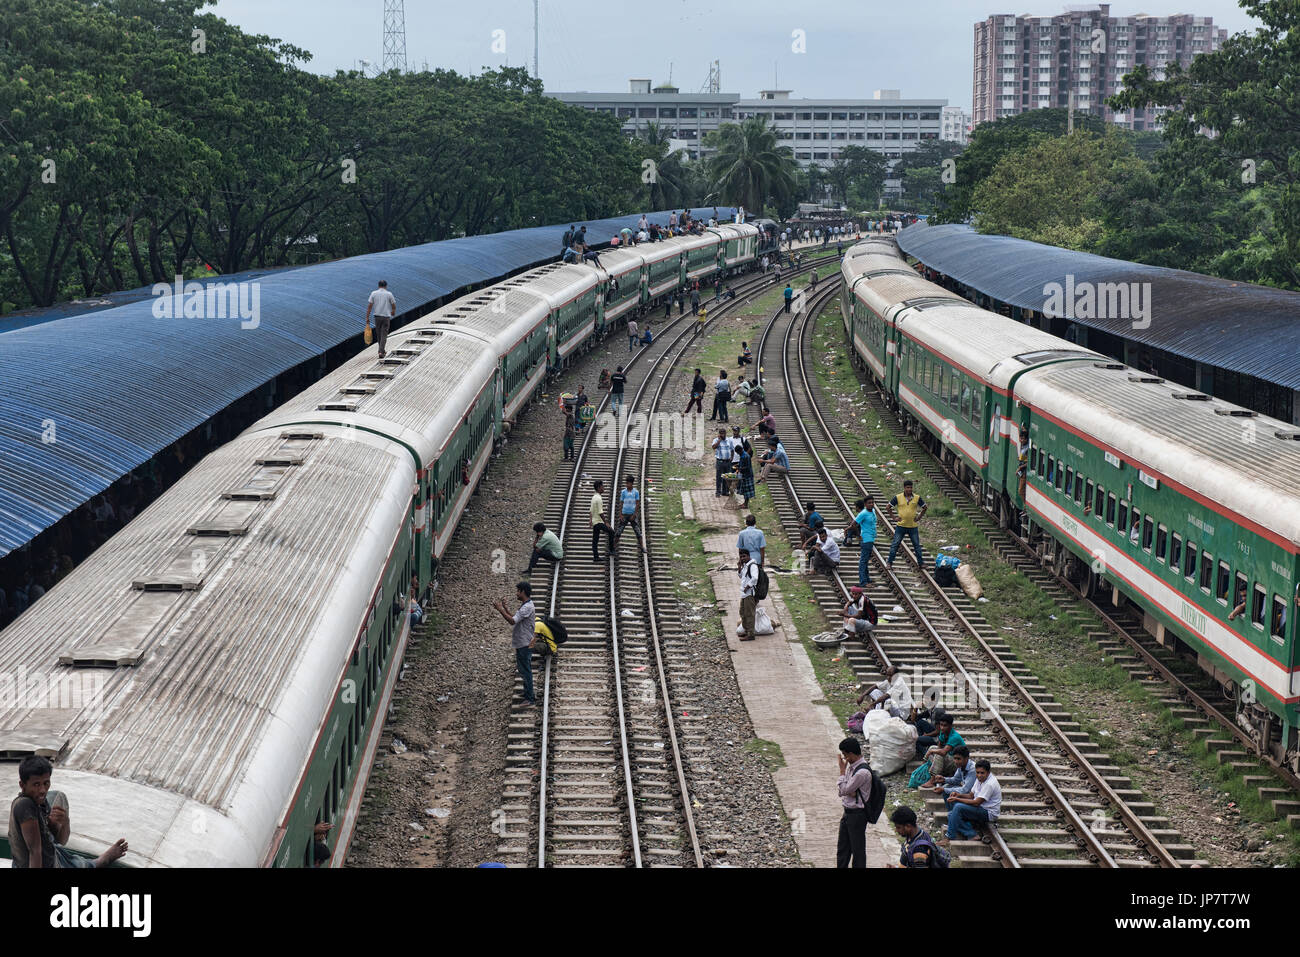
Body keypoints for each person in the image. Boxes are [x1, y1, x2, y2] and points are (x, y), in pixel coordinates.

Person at [8, 756, 128, 868]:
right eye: (36, 784)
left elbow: (60, 841)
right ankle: (101, 860)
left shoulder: (41, 803)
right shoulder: (25, 805)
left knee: (68, 856)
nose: (42, 790)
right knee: (84, 864)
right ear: (22, 785)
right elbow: (34, 851)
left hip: (53, 855)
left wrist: (63, 822)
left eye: (46, 783)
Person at [492, 583, 537, 707]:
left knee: (526, 670)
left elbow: (512, 621)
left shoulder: (527, 607)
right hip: (522, 642)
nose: (516, 593)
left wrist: (500, 609)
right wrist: (505, 608)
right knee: (523, 669)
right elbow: (515, 617)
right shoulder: (525, 606)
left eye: (518, 591)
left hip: (525, 643)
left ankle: (530, 698)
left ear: (523, 592)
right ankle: (528, 693)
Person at [836, 737, 873, 868]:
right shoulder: (853, 768)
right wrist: (848, 790)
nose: (845, 759)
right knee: (843, 849)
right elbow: (846, 790)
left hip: (857, 815)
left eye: (845, 755)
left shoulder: (861, 772)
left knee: (857, 851)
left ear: (851, 754)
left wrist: (841, 771)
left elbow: (844, 789)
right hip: (848, 813)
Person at [946, 759, 1001, 840]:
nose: (979, 775)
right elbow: (971, 796)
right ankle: (972, 834)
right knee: (951, 815)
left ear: (988, 772)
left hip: (989, 813)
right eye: (977, 772)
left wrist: (957, 799)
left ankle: (949, 837)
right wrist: (958, 795)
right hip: (980, 809)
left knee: (958, 807)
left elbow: (976, 803)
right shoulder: (979, 779)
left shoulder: (990, 784)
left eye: (982, 773)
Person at [886, 480, 927, 570]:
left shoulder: (917, 497)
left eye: (911, 487)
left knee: (917, 546)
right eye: (907, 487)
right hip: (901, 526)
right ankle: (889, 562)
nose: (909, 489)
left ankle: (921, 563)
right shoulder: (898, 497)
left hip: (913, 526)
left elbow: (925, 507)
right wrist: (894, 518)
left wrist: (919, 517)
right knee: (895, 544)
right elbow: (888, 507)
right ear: (904, 488)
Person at [916, 712, 966, 788]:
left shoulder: (954, 737)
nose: (942, 728)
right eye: (941, 725)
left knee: (938, 753)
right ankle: (937, 776)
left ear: (950, 726)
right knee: (932, 747)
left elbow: (943, 752)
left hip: (958, 764)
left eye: (945, 725)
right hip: (949, 761)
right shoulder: (943, 733)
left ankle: (932, 781)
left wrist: (930, 752)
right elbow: (938, 747)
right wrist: (926, 758)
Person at [846, 496, 877, 587]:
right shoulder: (863, 513)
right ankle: (863, 582)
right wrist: (859, 535)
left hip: (871, 539)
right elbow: (853, 524)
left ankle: (867, 579)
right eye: (869, 503)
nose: (871, 504)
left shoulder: (873, 511)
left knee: (866, 560)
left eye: (872, 502)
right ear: (865, 504)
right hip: (866, 539)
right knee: (863, 561)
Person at [365, 279, 397, 360]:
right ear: (386, 286)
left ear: (378, 286)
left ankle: (381, 351)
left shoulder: (373, 293)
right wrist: (393, 311)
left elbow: (370, 306)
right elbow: (393, 304)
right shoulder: (389, 294)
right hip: (386, 317)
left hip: (377, 317)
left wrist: (367, 317)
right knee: (384, 335)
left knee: (379, 334)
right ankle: (381, 351)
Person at [614, 475, 645, 551]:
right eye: (626, 483)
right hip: (624, 514)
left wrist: (634, 514)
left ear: (632, 483)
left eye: (628, 483)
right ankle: (613, 548)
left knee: (638, 532)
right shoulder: (623, 492)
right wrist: (620, 514)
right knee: (619, 532)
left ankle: (642, 547)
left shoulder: (636, 492)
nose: (627, 485)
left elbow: (638, 503)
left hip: (632, 515)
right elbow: (621, 503)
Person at [738, 547, 760, 641]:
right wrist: (739, 566)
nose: (742, 558)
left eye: (744, 556)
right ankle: (746, 631)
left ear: (748, 556)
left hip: (749, 594)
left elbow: (755, 578)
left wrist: (747, 586)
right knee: (742, 612)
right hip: (744, 594)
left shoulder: (753, 566)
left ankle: (751, 634)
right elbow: (741, 576)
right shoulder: (745, 566)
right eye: (741, 557)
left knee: (749, 614)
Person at [731, 428, 756, 508]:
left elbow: (747, 467)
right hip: (745, 475)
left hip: (747, 475)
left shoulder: (745, 456)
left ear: (739, 451)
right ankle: (744, 503)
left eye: (737, 453)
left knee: (747, 491)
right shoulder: (743, 455)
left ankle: (746, 504)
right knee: (745, 491)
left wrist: (740, 468)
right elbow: (743, 464)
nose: (737, 454)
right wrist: (738, 465)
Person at [591, 480, 614, 563]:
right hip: (598, 522)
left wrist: (590, 520)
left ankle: (596, 557)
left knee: (595, 539)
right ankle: (611, 550)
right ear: (598, 488)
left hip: (595, 522)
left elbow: (591, 510)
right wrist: (606, 522)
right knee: (611, 532)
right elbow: (600, 512)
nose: (603, 488)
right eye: (602, 487)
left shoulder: (594, 497)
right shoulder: (599, 498)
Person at [711, 428, 735, 498]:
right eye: (721, 433)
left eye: (723, 433)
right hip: (720, 461)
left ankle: (725, 492)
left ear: (725, 433)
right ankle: (718, 492)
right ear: (719, 433)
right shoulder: (716, 440)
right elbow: (713, 447)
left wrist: (732, 458)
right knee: (719, 477)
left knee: (727, 477)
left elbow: (732, 449)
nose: (722, 434)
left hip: (728, 461)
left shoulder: (729, 440)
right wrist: (719, 440)